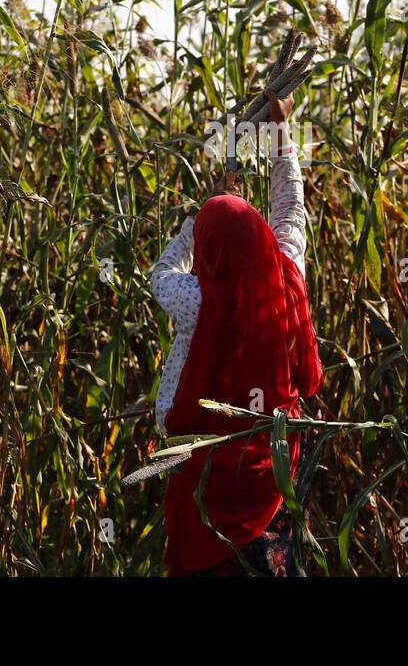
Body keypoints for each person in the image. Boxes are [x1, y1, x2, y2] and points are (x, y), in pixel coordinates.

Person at [149, 89, 323, 576]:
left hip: (207, 476)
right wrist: (282, 137)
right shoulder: (288, 277)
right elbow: (290, 212)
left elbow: (159, 274)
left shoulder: (197, 301)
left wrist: (198, 216)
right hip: (272, 467)